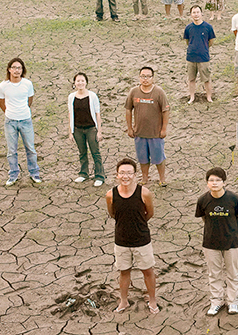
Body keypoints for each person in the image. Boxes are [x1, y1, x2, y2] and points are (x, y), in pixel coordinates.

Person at [106, 157, 158, 314]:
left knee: (148, 271)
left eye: (129, 173)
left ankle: (153, 300)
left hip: (142, 239)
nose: (125, 176)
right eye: (122, 173)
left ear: (135, 175)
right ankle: (123, 301)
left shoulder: (144, 193)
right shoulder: (111, 194)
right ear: (117, 175)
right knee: (124, 272)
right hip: (121, 240)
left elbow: (149, 214)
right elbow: (113, 213)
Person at [195, 167, 238, 316]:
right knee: (214, 274)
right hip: (211, 243)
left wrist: (230, 230)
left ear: (224, 182)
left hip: (232, 242)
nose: (214, 183)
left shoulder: (234, 199)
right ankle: (216, 302)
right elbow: (204, 218)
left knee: (232, 273)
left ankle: (232, 302)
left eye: (218, 180)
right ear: (207, 183)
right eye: (211, 180)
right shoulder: (203, 200)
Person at [0, 57, 41, 186]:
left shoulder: (27, 84)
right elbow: (1, 102)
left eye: (19, 68)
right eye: (14, 68)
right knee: (12, 150)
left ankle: (34, 173)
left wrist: (23, 111)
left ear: (23, 70)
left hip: (25, 120)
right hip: (10, 121)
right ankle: (13, 174)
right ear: (9, 69)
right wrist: (9, 112)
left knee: (30, 148)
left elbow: (29, 100)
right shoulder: (3, 86)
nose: (17, 70)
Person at [125, 67, 170, 185]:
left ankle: (162, 179)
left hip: (155, 133)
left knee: (159, 158)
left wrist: (164, 129)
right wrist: (130, 128)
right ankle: (145, 178)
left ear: (153, 78)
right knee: (143, 158)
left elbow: (165, 111)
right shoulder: (134, 92)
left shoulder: (159, 92)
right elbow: (128, 109)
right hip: (139, 133)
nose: (145, 79)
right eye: (142, 76)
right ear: (139, 77)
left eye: (148, 76)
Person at [68, 71, 104, 185]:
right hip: (78, 129)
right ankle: (84, 173)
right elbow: (70, 114)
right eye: (78, 81)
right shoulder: (71, 97)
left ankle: (99, 176)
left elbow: (98, 114)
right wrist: (70, 132)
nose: (80, 83)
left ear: (86, 82)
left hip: (91, 128)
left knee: (95, 152)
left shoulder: (92, 96)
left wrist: (99, 131)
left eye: (82, 80)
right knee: (82, 152)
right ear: (74, 83)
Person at [183, 6, 216, 104]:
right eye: (194, 12)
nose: (196, 14)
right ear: (191, 14)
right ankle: (192, 97)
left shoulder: (208, 27)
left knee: (206, 79)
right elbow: (187, 41)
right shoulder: (188, 28)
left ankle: (209, 97)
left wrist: (204, 48)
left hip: (204, 57)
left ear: (201, 13)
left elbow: (211, 41)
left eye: (198, 12)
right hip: (191, 57)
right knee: (191, 79)